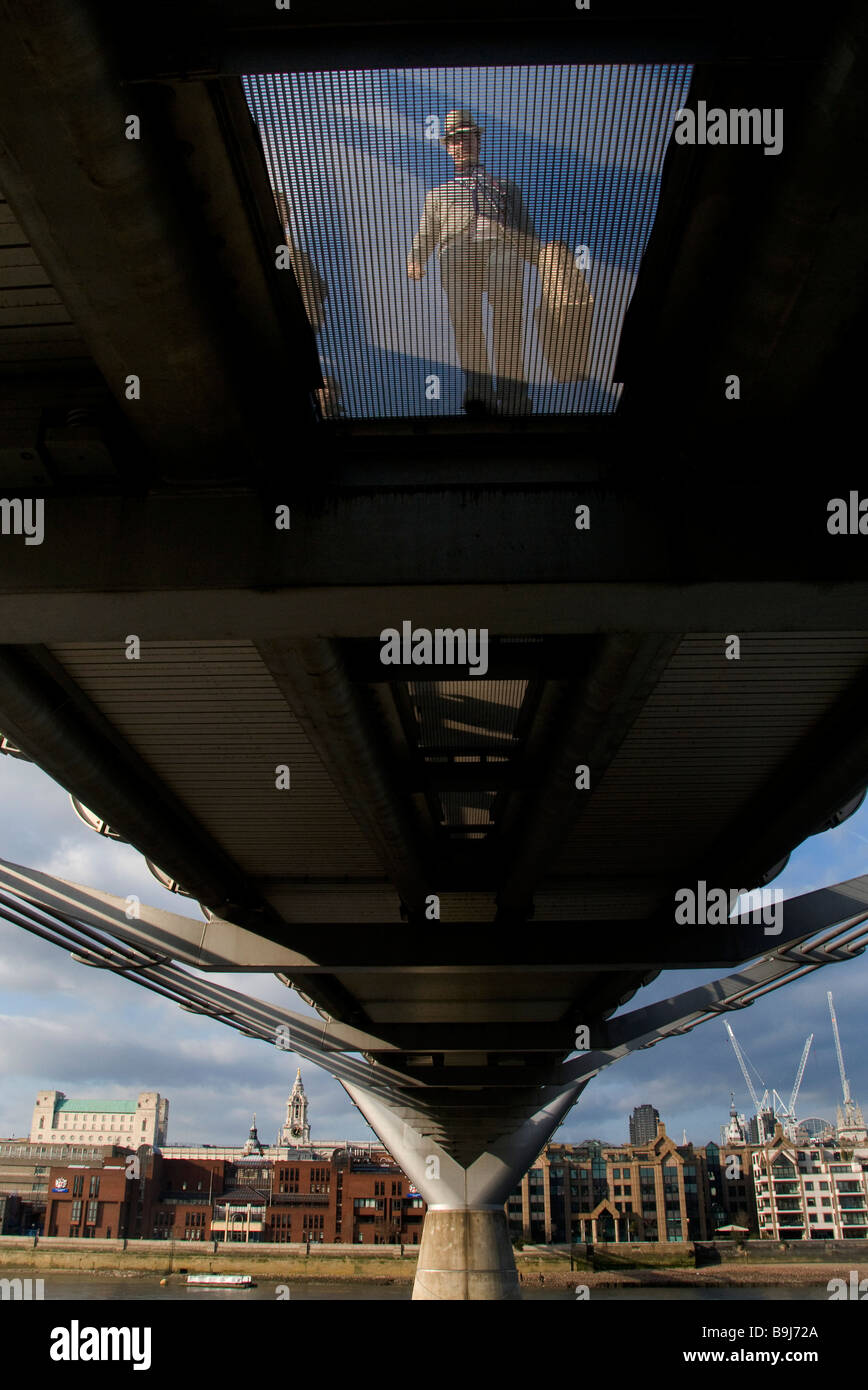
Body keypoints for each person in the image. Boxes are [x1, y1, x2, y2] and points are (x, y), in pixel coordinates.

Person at [407, 109, 541, 415]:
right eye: (454, 140)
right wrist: (416, 259)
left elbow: (526, 231)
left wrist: (544, 259)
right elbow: (427, 231)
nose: (461, 144)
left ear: (478, 141)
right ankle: (479, 392)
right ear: (447, 147)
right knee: (466, 324)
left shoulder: (506, 188)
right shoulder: (438, 194)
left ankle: (513, 396)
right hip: (457, 255)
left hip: (500, 251)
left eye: (467, 137)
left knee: (508, 321)